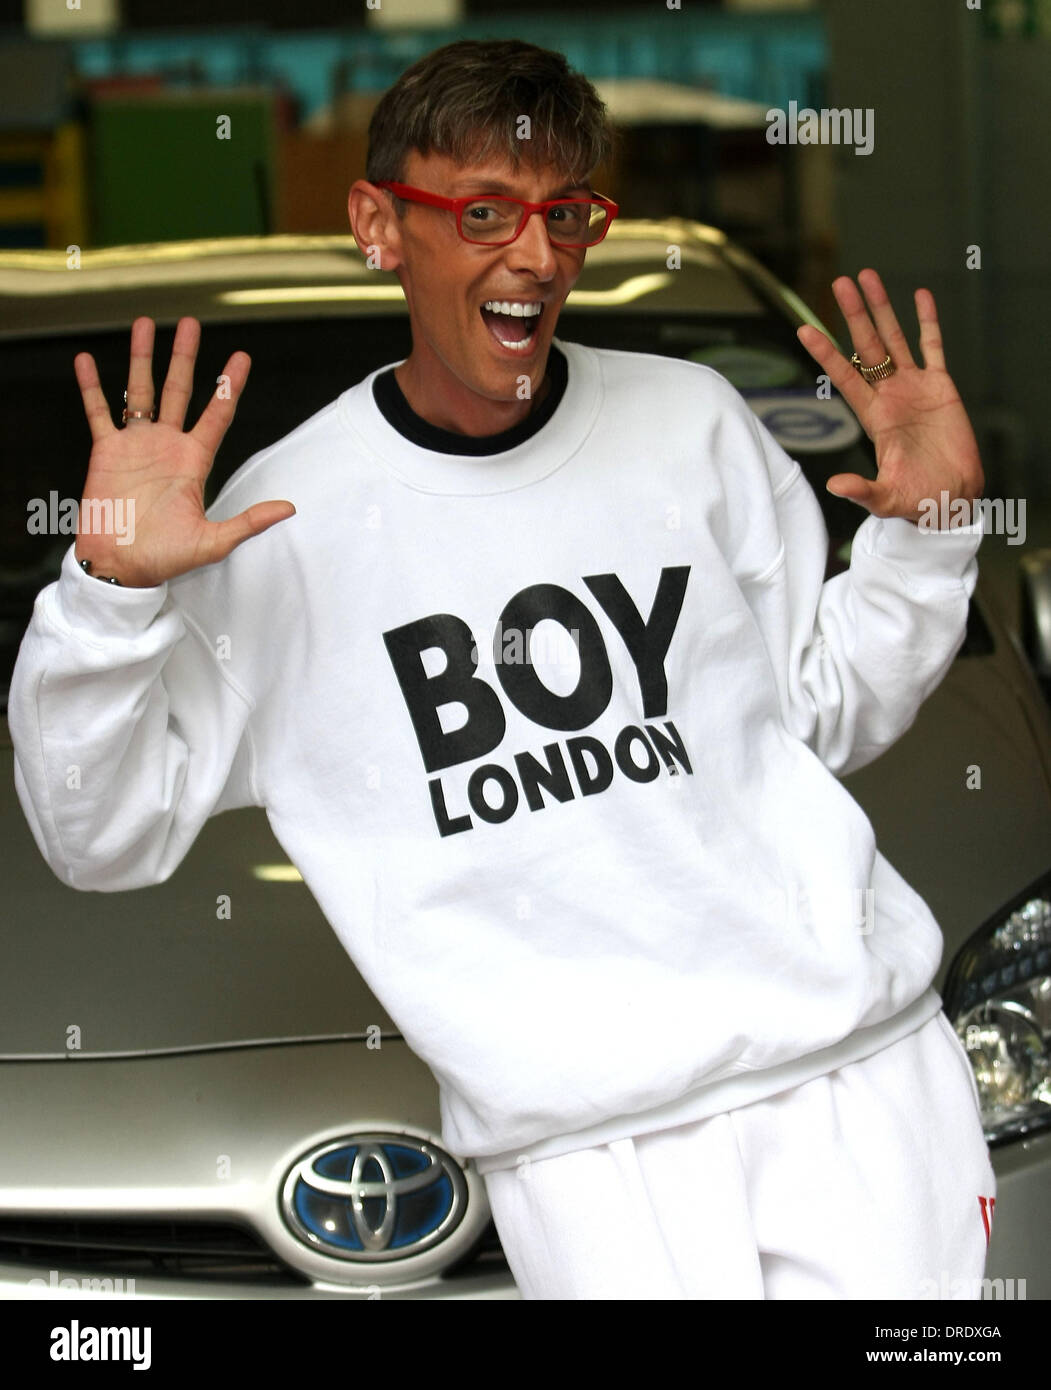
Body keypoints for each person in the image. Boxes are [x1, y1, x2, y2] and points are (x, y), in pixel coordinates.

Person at [10, 38, 995, 1300]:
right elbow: (101, 834)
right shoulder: (279, 524)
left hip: (859, 1084)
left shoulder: (690, 421)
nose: (534, 256)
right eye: (483, 213)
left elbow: (819, 711)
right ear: (379, 224)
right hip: (584, 1161)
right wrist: (109, 595)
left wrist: (927, 537)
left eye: (565, 214)